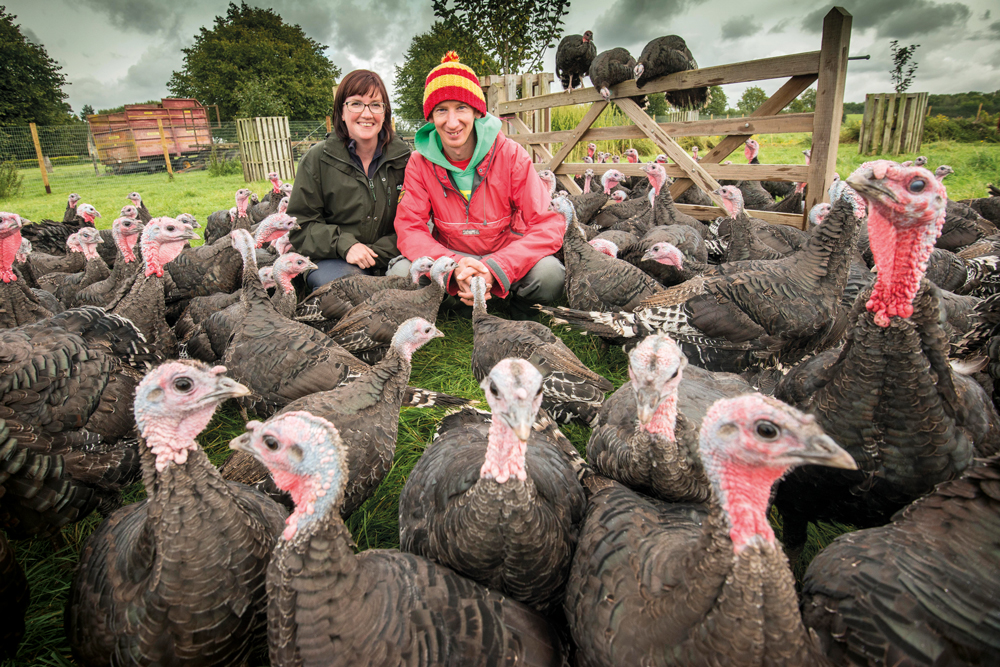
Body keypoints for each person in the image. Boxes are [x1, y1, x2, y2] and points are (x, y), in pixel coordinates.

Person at [389, 52, 564, 307]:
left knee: (549, 275)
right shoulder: (419, 162)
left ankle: (494, 295)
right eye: (441, 110)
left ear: (476, 111)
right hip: (450, 259)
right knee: (400, 274)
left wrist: (496, 268)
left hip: (504, 255)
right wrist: (454, 268)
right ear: (431, 117)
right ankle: (469, 294)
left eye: (461, 108)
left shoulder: (511, 154)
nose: (452, 122)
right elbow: (410, 228)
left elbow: (547, 224)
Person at [286, 70, 411, 290]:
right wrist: (345, 244)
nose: (366, 113)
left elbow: (417, 221)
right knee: (346, 291)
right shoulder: (317, 159)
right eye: (356, 104)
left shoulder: (406, 159)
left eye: (375, 105)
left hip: (392, 255)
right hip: (335, 258)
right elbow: (301, 225)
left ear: (385, 113)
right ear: (341, 113)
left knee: (420, 283)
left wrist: (376, 253)